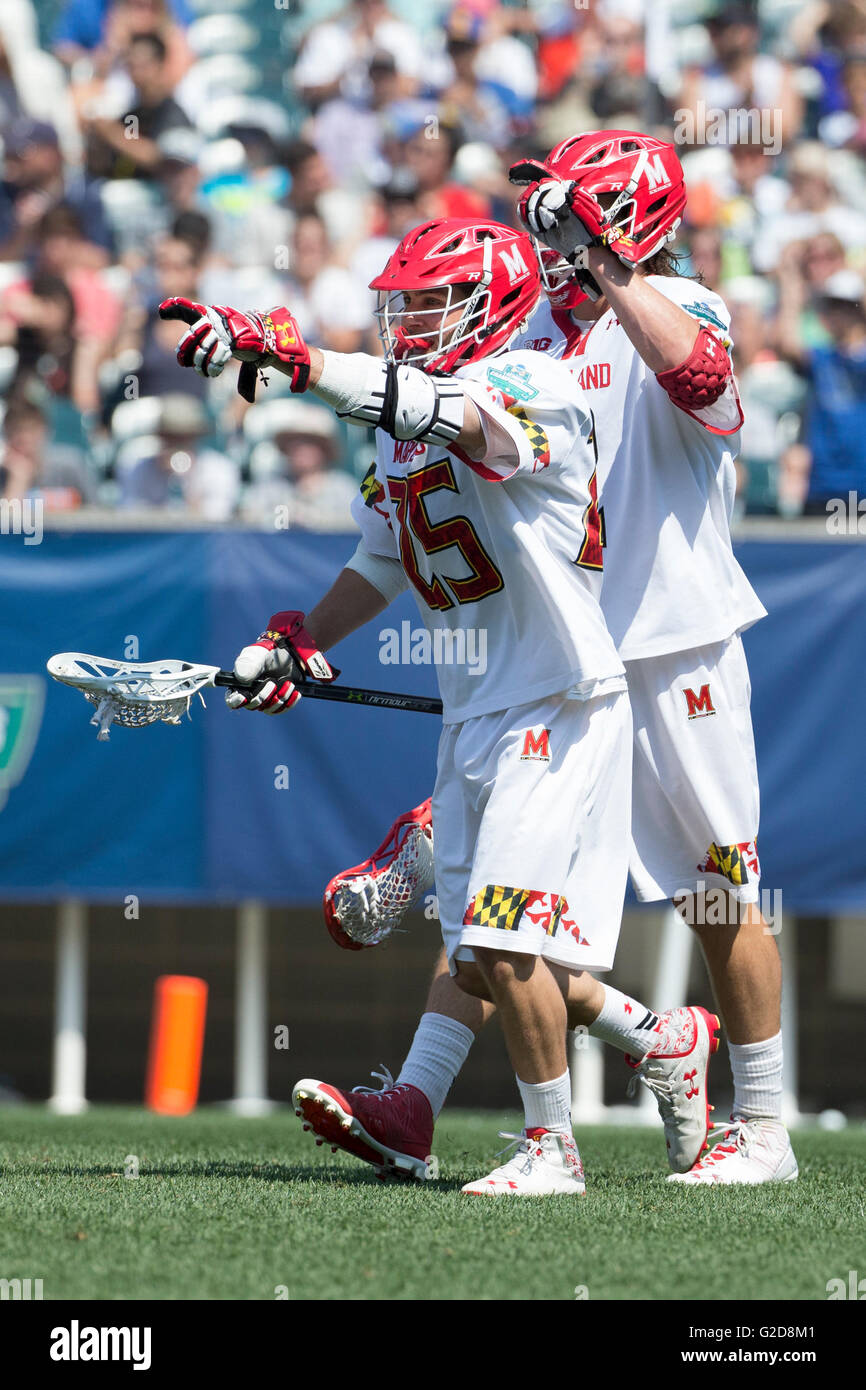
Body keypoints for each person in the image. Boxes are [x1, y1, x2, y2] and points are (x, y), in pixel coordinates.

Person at [304, 130, 798, 1189]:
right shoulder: (522, 328)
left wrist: (612, 267)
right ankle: (418, 1103)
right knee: (503, 905)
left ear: (629, 219)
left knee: (715, 889)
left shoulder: (684, 302)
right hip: (561, 657)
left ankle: (761, 1122)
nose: (552, 226)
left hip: (673, 641)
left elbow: (707, 382)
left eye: (576, 209)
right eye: (549, 211)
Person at [160, 217, 642, 1197]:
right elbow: (384, 556)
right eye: (403, 302)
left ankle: (551, 1148)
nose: (408, 318)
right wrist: (297, 642)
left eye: (429, 301)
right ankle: (654, 1040)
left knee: (504, 938)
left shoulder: (529, 383)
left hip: (557, 697)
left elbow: (443, 414)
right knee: (475, 953)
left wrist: (299, 367)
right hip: (477, 709)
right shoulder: (403, 411)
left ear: (490, 301)